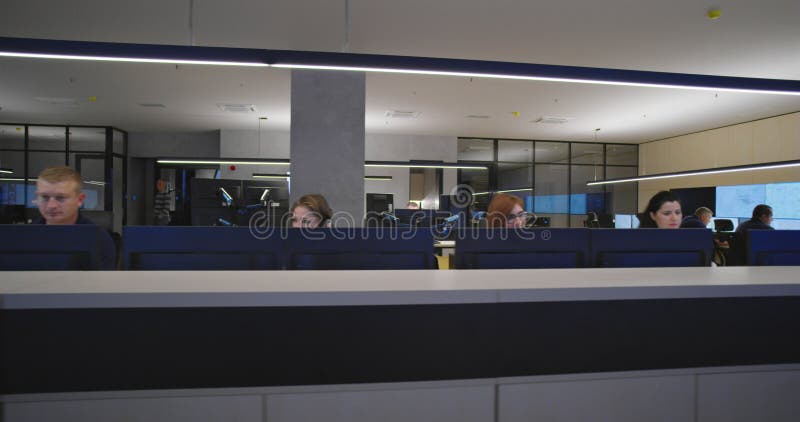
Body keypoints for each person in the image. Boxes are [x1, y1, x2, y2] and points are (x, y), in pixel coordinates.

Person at [33, 166, 117, 269]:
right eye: (45, 197)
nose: (51, 205)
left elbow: (102, 284)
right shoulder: (24, 237)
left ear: (80, 200)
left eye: (60, 198)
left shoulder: (99, 239)